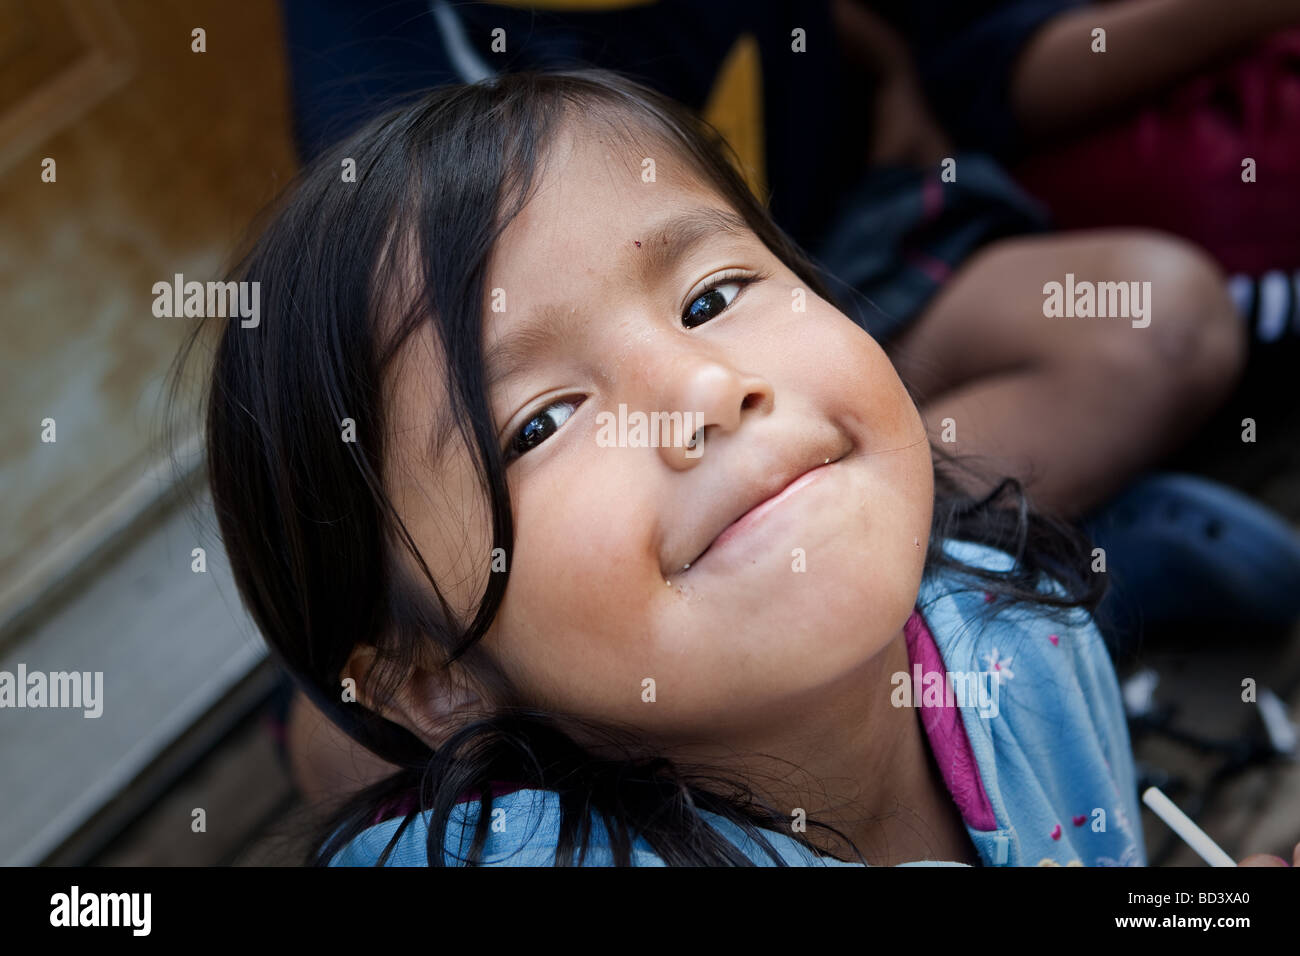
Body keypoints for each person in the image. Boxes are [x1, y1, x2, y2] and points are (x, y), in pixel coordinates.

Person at [188, 69, 1160, 866]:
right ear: (437, 678)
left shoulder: (1022, 632)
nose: (704, 387)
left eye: (710, 298)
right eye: (541, 421)